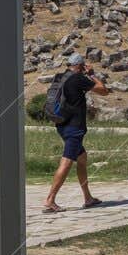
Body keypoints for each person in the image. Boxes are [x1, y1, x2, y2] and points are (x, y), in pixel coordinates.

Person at [42, 52, 109, 213]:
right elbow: (103, 90)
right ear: (80, 66)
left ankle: (88, 198)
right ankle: (50, 200)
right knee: (66, 162)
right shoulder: (78, 78)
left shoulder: (60, 76)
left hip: (61, 124)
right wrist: (92, 75)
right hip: (74, 127)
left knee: (82, 158)